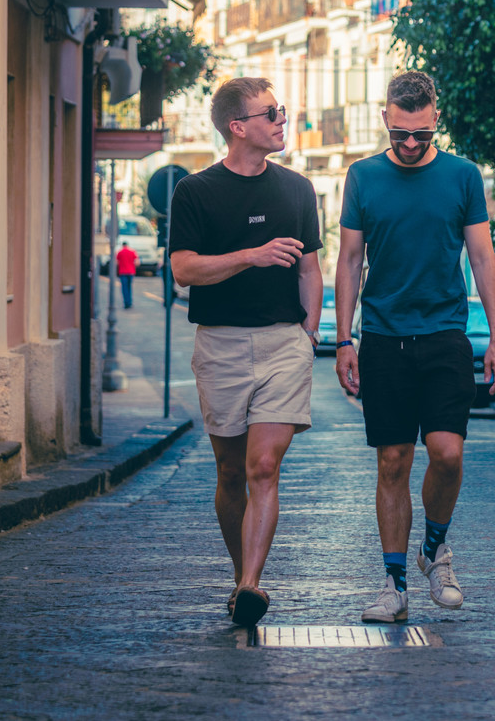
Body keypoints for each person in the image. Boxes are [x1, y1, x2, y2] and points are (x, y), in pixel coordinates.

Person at [335, 70, 495, 623]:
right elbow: (349, 261)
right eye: (401, 133)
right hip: (384, 338)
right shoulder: (362, 177)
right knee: (392, 462)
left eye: (421, 134)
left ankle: (434, 551)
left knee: (448, 455)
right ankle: (394, 585)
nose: (410, 145)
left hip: (445, 337)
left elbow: (481, 258)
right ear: (385, 117)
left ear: (436, 119)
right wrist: (344, 339)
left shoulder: (462, 176)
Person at [167, 77, 323, 628]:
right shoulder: (195, 191)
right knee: (230, 470)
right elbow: (184, 269)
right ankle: (241, 578)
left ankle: (253, 583)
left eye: (281, 110)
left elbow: (310, 267)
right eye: (271, 113)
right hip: (221, 343)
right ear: (239, 127)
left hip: (284, 343)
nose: (282, 119)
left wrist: (310, 332)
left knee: (263, 466)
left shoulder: (299, 191)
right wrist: (252, 256)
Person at [115, 241, 138, 309]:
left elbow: (117, 262)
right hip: (131, 272)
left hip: (122, 272)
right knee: (129, 287)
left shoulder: (119, 252)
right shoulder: (132, 251)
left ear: (122, 245)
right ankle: (130, 302)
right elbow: (137, 262)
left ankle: (126, 303)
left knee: (124, 288)